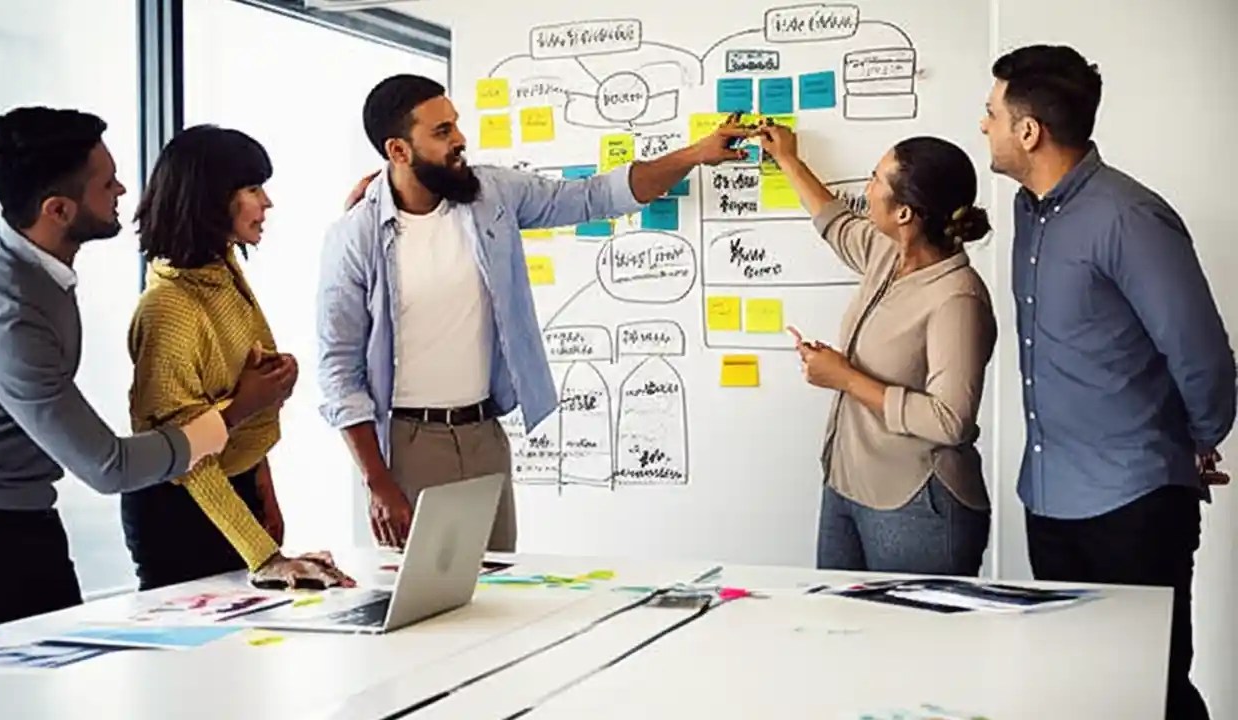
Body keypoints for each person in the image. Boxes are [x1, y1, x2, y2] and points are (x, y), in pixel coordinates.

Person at [317, 74, 752, 551]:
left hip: (485, 433)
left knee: (499, 592)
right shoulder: (355, 236)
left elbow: (594, 196)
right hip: (407, 444)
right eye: (442, 132)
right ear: (398, 151)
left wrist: (695, 154)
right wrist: (377, 481)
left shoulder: (490, 194)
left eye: (456, 125)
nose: (460, 139)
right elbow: (339, 367)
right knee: (423, 606)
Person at [982, 45, 1235, 720]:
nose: (984, 126)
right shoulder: (1028, 214)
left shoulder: (1129, 216)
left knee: (1151, 694)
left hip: (1134, 505)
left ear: (1028, 131)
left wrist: (1197, 439)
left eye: (992, 113)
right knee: (1080, 690)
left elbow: (1202, 353)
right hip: (1050, 498)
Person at [0, 107, 247, 632]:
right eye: (107, 183)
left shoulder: (23, 254)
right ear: (58, 209)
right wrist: (232, 414)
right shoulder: (6, 318)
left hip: (25, 519)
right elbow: (107, 467)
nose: (122, 191)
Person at [756, 120, 996, 575]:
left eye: (874, 178)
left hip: (917, 504)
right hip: (846, 486)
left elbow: (950, 421)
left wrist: (844, 378)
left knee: (911, 643)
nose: (864, 189)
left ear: (905, 212)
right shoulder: (886, 254)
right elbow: (835, 222)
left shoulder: (956, 297)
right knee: (839, 637)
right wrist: (787, 158)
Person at [124, 124, 355, 592]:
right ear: (210, 199)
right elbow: (186, 458)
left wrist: (262, 484)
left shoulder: (222, 269)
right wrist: (265, 557)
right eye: (252, 188)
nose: (266, 202)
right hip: (183, 506)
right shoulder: (168, 306)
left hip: (238, 485)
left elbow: (236, 397)